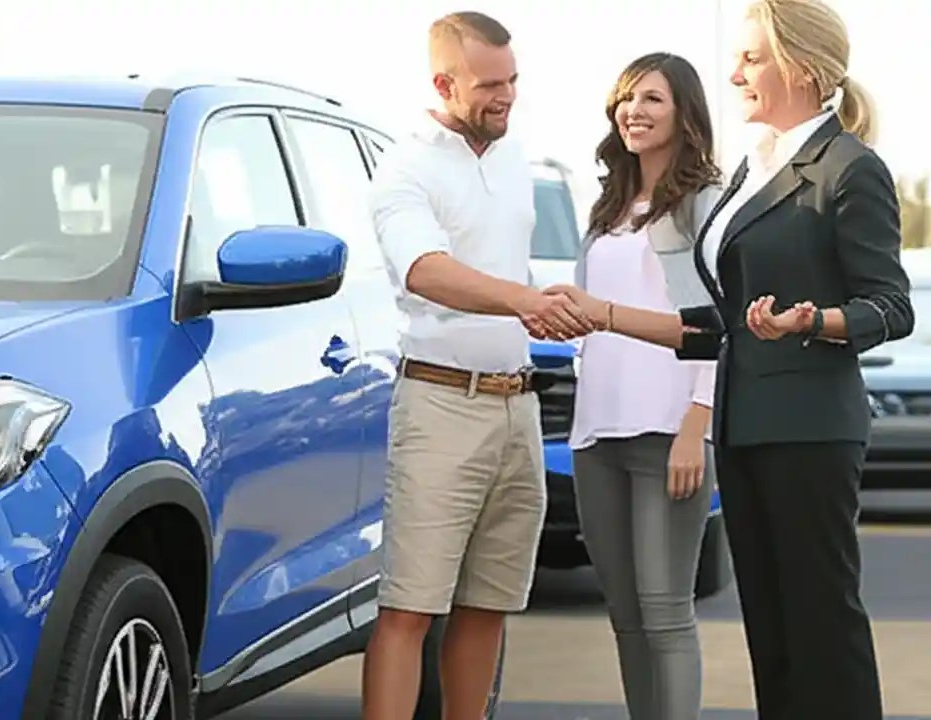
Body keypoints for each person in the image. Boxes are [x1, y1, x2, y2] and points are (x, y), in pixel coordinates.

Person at [537, 1, 914, 718]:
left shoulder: (847, 168)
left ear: (800, 67)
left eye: (751, 58)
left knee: (821, 627)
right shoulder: (751, 171)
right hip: (744, 430)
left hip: (808, 429)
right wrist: (605, 316)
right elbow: (718, 326)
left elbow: (892, 306)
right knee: (771, 632)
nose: (734, 71)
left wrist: (818, 320)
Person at [360, 10, 596, 720]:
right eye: (490, 84)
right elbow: (427, 271)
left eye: (514, 80)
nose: (507, 95)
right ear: (443, 82)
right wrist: (524, 302)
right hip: (440, 407)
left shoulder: (515, 156)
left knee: (490, 604)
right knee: (410, 607)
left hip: (516, 407)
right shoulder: (405, 167)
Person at [567, 52, 723, 720]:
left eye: (653, 99)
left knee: (666, 615)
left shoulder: (702, 205)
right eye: (628, 98)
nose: (635, 110)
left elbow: (714, 325)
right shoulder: (608, 207)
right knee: (627, 618)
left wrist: (697, 423)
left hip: (669, 432)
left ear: (685, 113)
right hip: (597, 433)